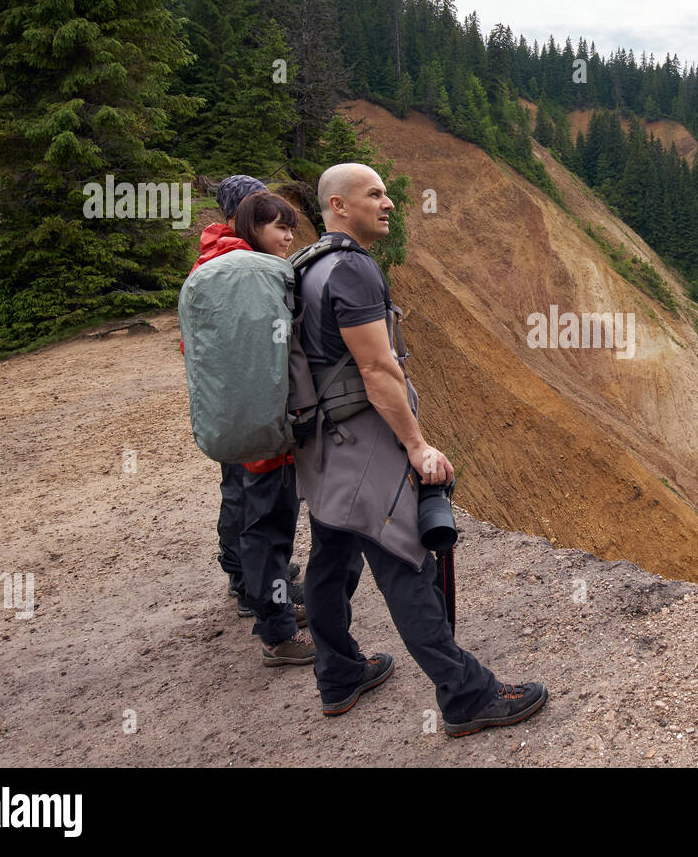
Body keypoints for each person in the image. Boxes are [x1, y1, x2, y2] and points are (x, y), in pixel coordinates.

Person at [294, 161, 546, 735]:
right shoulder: (353, 269)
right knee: (406, 562)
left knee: (331, 559)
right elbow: (378, 369)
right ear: (338, 205)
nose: (388, 203)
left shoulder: (307, 265)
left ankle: (338, 676)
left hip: (323, 445)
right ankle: (466, 695)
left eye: (387, 192)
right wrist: (416, 444)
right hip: (364, 445)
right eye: (374, 194)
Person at [186, 176, 308, 666]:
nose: (289, 238)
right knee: (264, 525)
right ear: (250, 222)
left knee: (259, 520)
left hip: (238, 416)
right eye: (279, 226)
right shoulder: (250, 273)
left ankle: (265, 599)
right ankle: (274, 627)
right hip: (262, 423)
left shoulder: (211, 263)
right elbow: (264, 350)